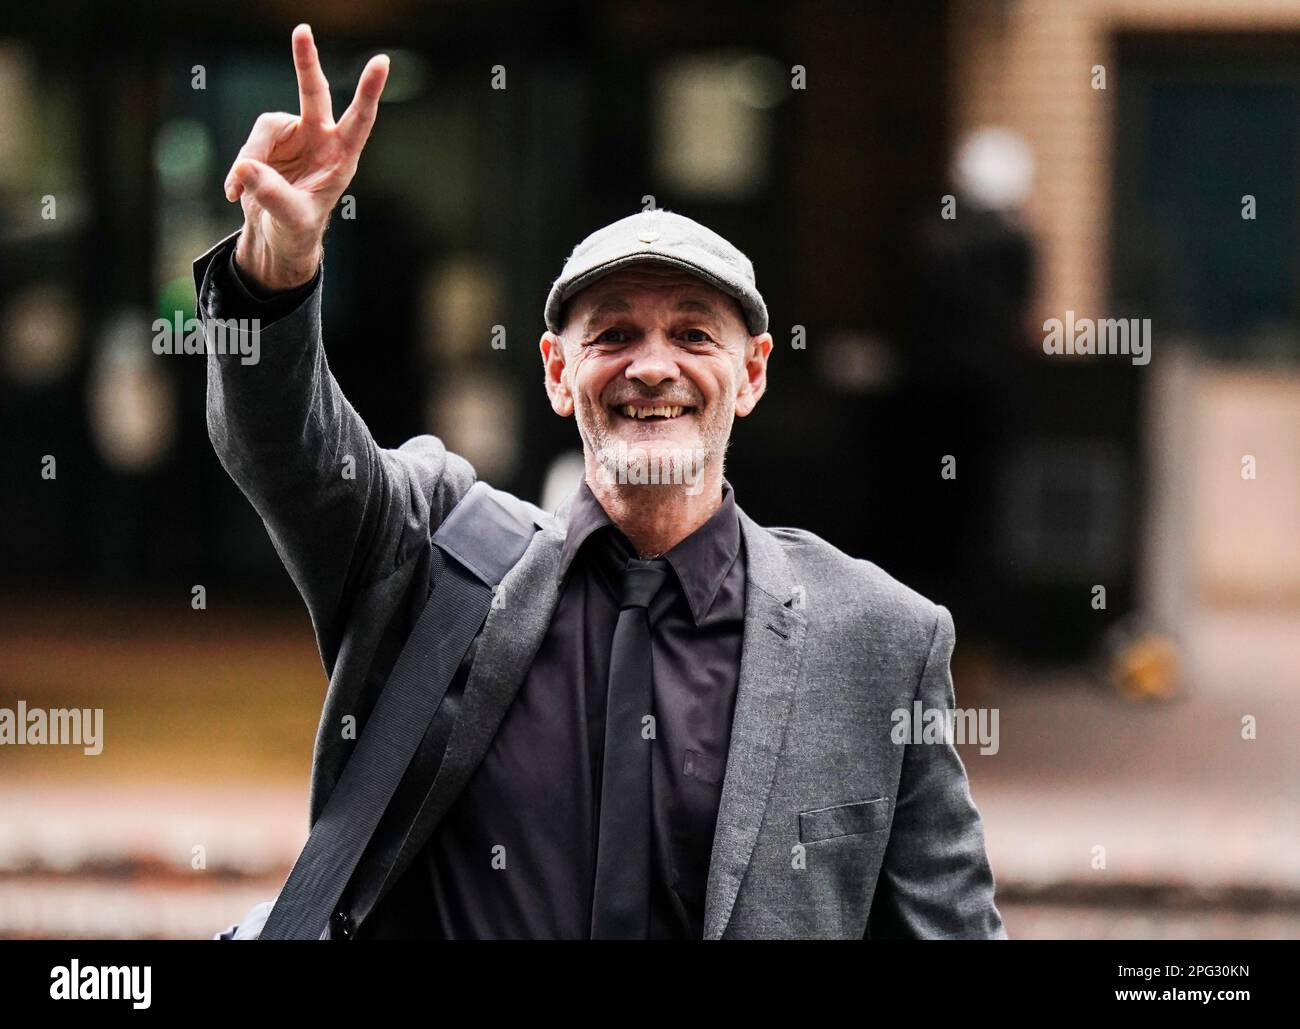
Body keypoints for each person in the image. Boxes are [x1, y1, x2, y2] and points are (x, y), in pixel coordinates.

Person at [203, 24, 1005, 940]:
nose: (652, 366)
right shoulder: (435, 554)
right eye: (615, 334)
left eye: (693, 334)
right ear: (557, 371)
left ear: (751, 373)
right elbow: (287, 451)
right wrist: (275, 273)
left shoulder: (879, 640)